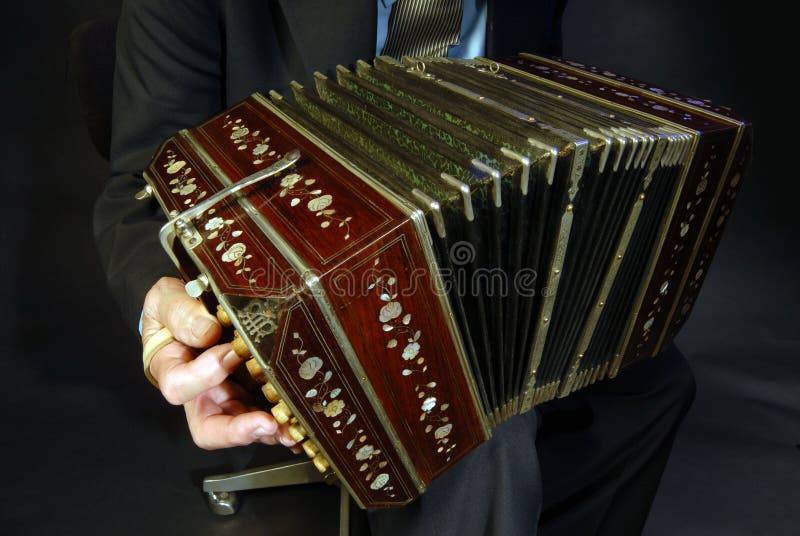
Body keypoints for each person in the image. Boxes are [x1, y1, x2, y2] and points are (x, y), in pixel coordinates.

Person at [94, 1, 695, 534]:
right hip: (307, 278)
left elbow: (532, 116)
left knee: (652, 382)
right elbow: (143, 182)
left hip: (489, 257)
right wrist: (167, 316)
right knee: (480, 432)